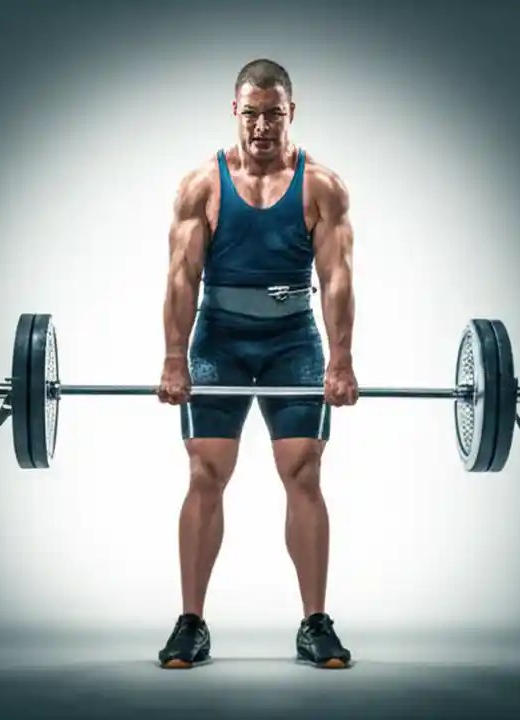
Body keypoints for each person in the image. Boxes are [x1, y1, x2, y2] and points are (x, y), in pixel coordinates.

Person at [153, 58, 359, 670]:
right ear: (235, 112)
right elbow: (181, 278)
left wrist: (341, 359)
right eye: (252, 113)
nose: (262, 125)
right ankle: (191, 624)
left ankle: (314, 624)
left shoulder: (322, 186)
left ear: (291, 113)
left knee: (303, 474)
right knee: (204, 476)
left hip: (292, 343)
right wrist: (173, 358)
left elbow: (337, 278)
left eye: (273, 113)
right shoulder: (203, 185)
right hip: (219, 342)